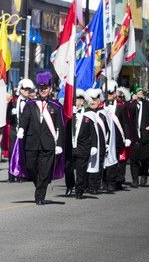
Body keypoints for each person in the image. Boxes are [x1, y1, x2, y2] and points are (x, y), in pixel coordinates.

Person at [17, 71, 64, 205]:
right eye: (41, 88)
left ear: (50, 88)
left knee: (44, 171)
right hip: (31, 143)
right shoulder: (30, 104)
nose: (43, 90)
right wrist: (21, 129)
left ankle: (40, 196)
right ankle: (40, 184)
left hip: (48, 144)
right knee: (31, 168)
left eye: (46, 88)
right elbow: (24, 119)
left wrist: (59, 144)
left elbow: (60, 126)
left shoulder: (56, 106)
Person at [72, 88, 104, 199]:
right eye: (77, 99)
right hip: (71, 146)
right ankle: (70, 185)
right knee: (68, 168)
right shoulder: (70, 113)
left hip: (83, 147)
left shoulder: (89, 115)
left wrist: (94, 145)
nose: (79, 102)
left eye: (81, 100)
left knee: (81, 171)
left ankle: (79, 190)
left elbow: (93, 131)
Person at [128, 88, 149, 187]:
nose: (140, 94)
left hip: (145, 136)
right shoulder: (132, 104)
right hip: (134, 136)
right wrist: (133, 101)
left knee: (144, 158)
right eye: (138, 93)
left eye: (142, 93)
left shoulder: (147, 105)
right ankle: (135, 179)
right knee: (134, 159)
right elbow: (129, 113)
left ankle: (144, 174)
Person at [8, 79, 33, 183]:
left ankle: (22, 174)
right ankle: (11, 174)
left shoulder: (32, 103)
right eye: (25, 89)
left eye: (28, 89)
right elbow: (7, 118)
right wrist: (11, 113)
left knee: (24, 153)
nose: (27, 91)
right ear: (20, 90)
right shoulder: (13, 102)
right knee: (12, 153)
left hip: (26, 132)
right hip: (15, 129)